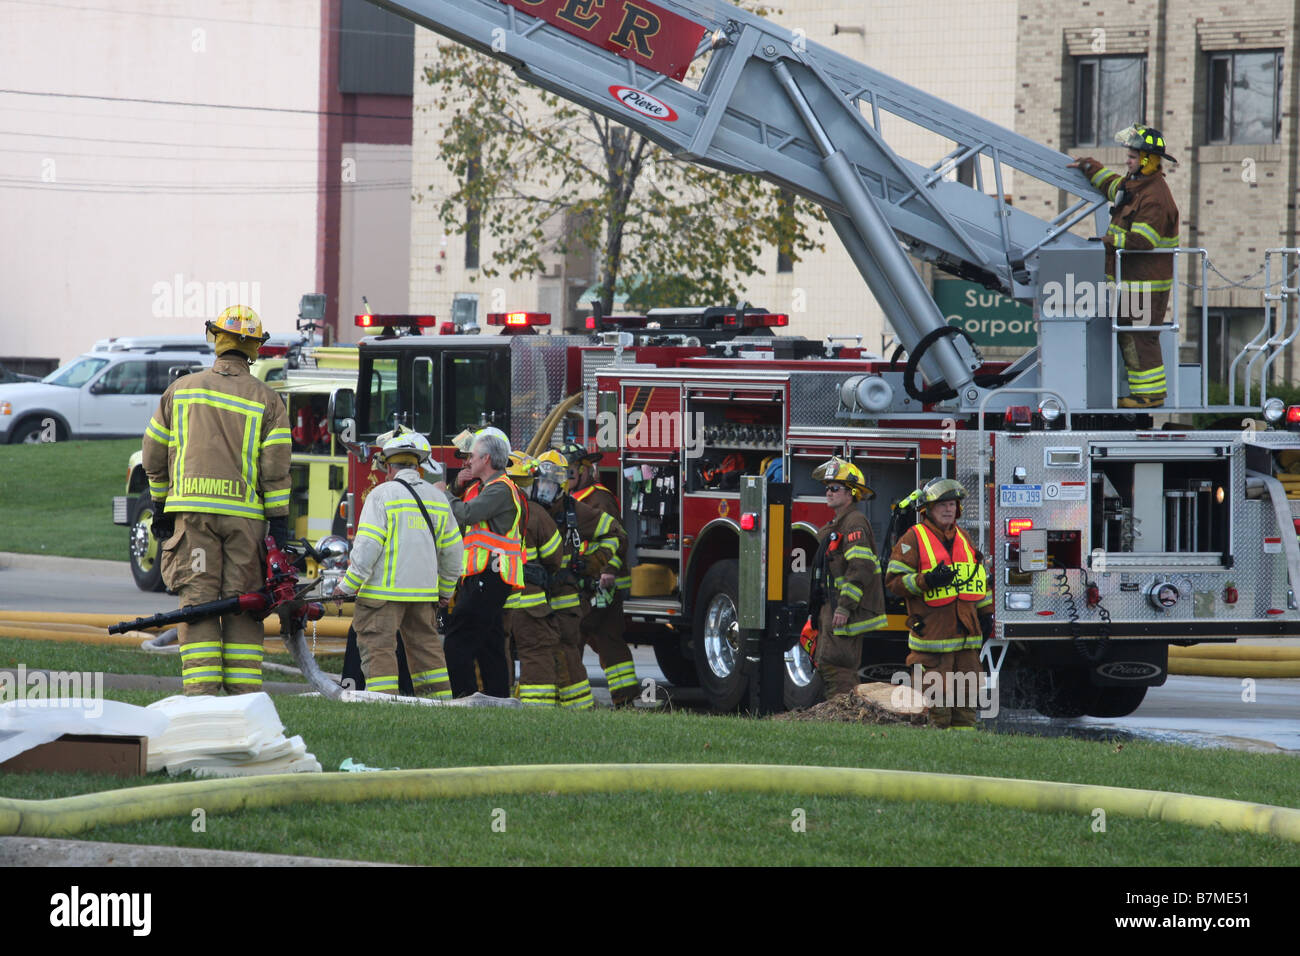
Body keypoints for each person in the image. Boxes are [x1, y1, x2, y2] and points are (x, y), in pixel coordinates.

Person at [142, 304, 291, 695]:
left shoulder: (181, 391)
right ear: (256, 348)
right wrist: (278, 525)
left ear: (216, 339)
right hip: (245, 521)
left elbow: (153, 455)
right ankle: (245, 701)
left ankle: (201, 698)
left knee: (198, 602)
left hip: (191, 519)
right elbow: (275, 471)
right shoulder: (269, 401)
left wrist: (160, 505)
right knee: (244, 603)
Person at [334, 428, 463, 698]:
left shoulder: (381, 495)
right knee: (427, 652)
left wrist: (346, 586)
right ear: (418, 467)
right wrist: (445, 591)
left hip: (381, 596)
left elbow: (367, 546)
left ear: (388, 468)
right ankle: (439, 705)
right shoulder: (438, 498)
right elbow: (453, 551)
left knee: (378, 649)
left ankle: (383, 705)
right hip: (423, 595)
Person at [1068, 124, 1180, 409]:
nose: (1128, 160)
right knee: (1130, 334)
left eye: (1133, 156)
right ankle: (1145, 393)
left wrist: (1105, 241)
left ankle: (1150, 396)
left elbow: (1144, 239)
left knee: (1141, 337)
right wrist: (1089, 167)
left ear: (1148, 159)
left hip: (1146, 283)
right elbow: (1111, 185)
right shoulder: (1134, 186)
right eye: (1128, 155)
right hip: (1132, 280)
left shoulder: (1155, 196)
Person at [885, 478, 992, 729]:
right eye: (942, 504)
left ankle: (963, 758)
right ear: (928, 509)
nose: (948, 509)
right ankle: (934, 756)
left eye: (953, 504)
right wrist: (927, 580)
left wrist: (986, 615)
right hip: (932, 643)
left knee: (965, 709)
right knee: (935, 708)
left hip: (966, 643)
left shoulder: (964, 538)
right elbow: (894, 582)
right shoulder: (913, 538)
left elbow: (979, 582)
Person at [535, 449, 626, 709]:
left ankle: (623, 698)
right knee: (563, 646)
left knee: (582, 644)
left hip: (581, 589)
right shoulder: (537, 505)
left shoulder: (588, 503)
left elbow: (617, 535)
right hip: (549, 591)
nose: (546, 487)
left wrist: (597, 566)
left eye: (568, 473)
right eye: (542, 479)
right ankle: (566, 700)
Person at [444, 428, 527, 698]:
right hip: (487, 576)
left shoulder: (500, 490)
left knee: (457, 640)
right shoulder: (489, 488)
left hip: (489, 576)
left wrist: (441, 493)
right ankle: (497, 698)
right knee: (489, 644)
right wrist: (455, 487)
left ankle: (464, 698)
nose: (468, 461)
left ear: (487, 459)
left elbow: (466, 513)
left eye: (474, 456)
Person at [557, 443, 639, 705]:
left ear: (583, 471)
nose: (565, 480)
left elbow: (618, 538)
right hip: (586, 581)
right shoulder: (574, 499)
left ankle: (577, 695)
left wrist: (609, 571)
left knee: (591, 637)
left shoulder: (598, 498)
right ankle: (580, 695)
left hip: (602, 584)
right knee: (595, 638)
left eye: (568, 473)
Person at [806, 457, 887, 698]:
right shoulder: (839, 524)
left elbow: (860, 568)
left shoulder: (854, 523)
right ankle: (842, 715)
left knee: (836, 665)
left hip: (845, 610)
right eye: (827, 488)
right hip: (832, 606)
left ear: (851, 494)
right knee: (827, 662)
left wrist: (843, 608)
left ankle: (845, 716)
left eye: (834, 488)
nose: (828, 492)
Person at [502, 451, 568, 707]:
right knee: (537, 654)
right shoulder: (536, 513)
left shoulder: (486, 504)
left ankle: (497, 700)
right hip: (531, 603)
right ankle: (535, 708)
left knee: (498, 651)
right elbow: (554, 557)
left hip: (499, 598)